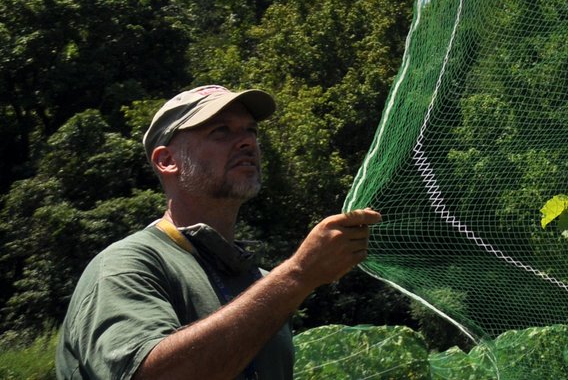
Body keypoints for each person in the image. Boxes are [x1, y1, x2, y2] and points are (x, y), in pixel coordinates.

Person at [56, 85, 381, 380]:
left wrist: (291, 281)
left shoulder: (260, 281)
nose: (247, 141)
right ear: (167, 160)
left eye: (250, 130)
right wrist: (298, 275)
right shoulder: (124, 266)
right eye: (221, 131)